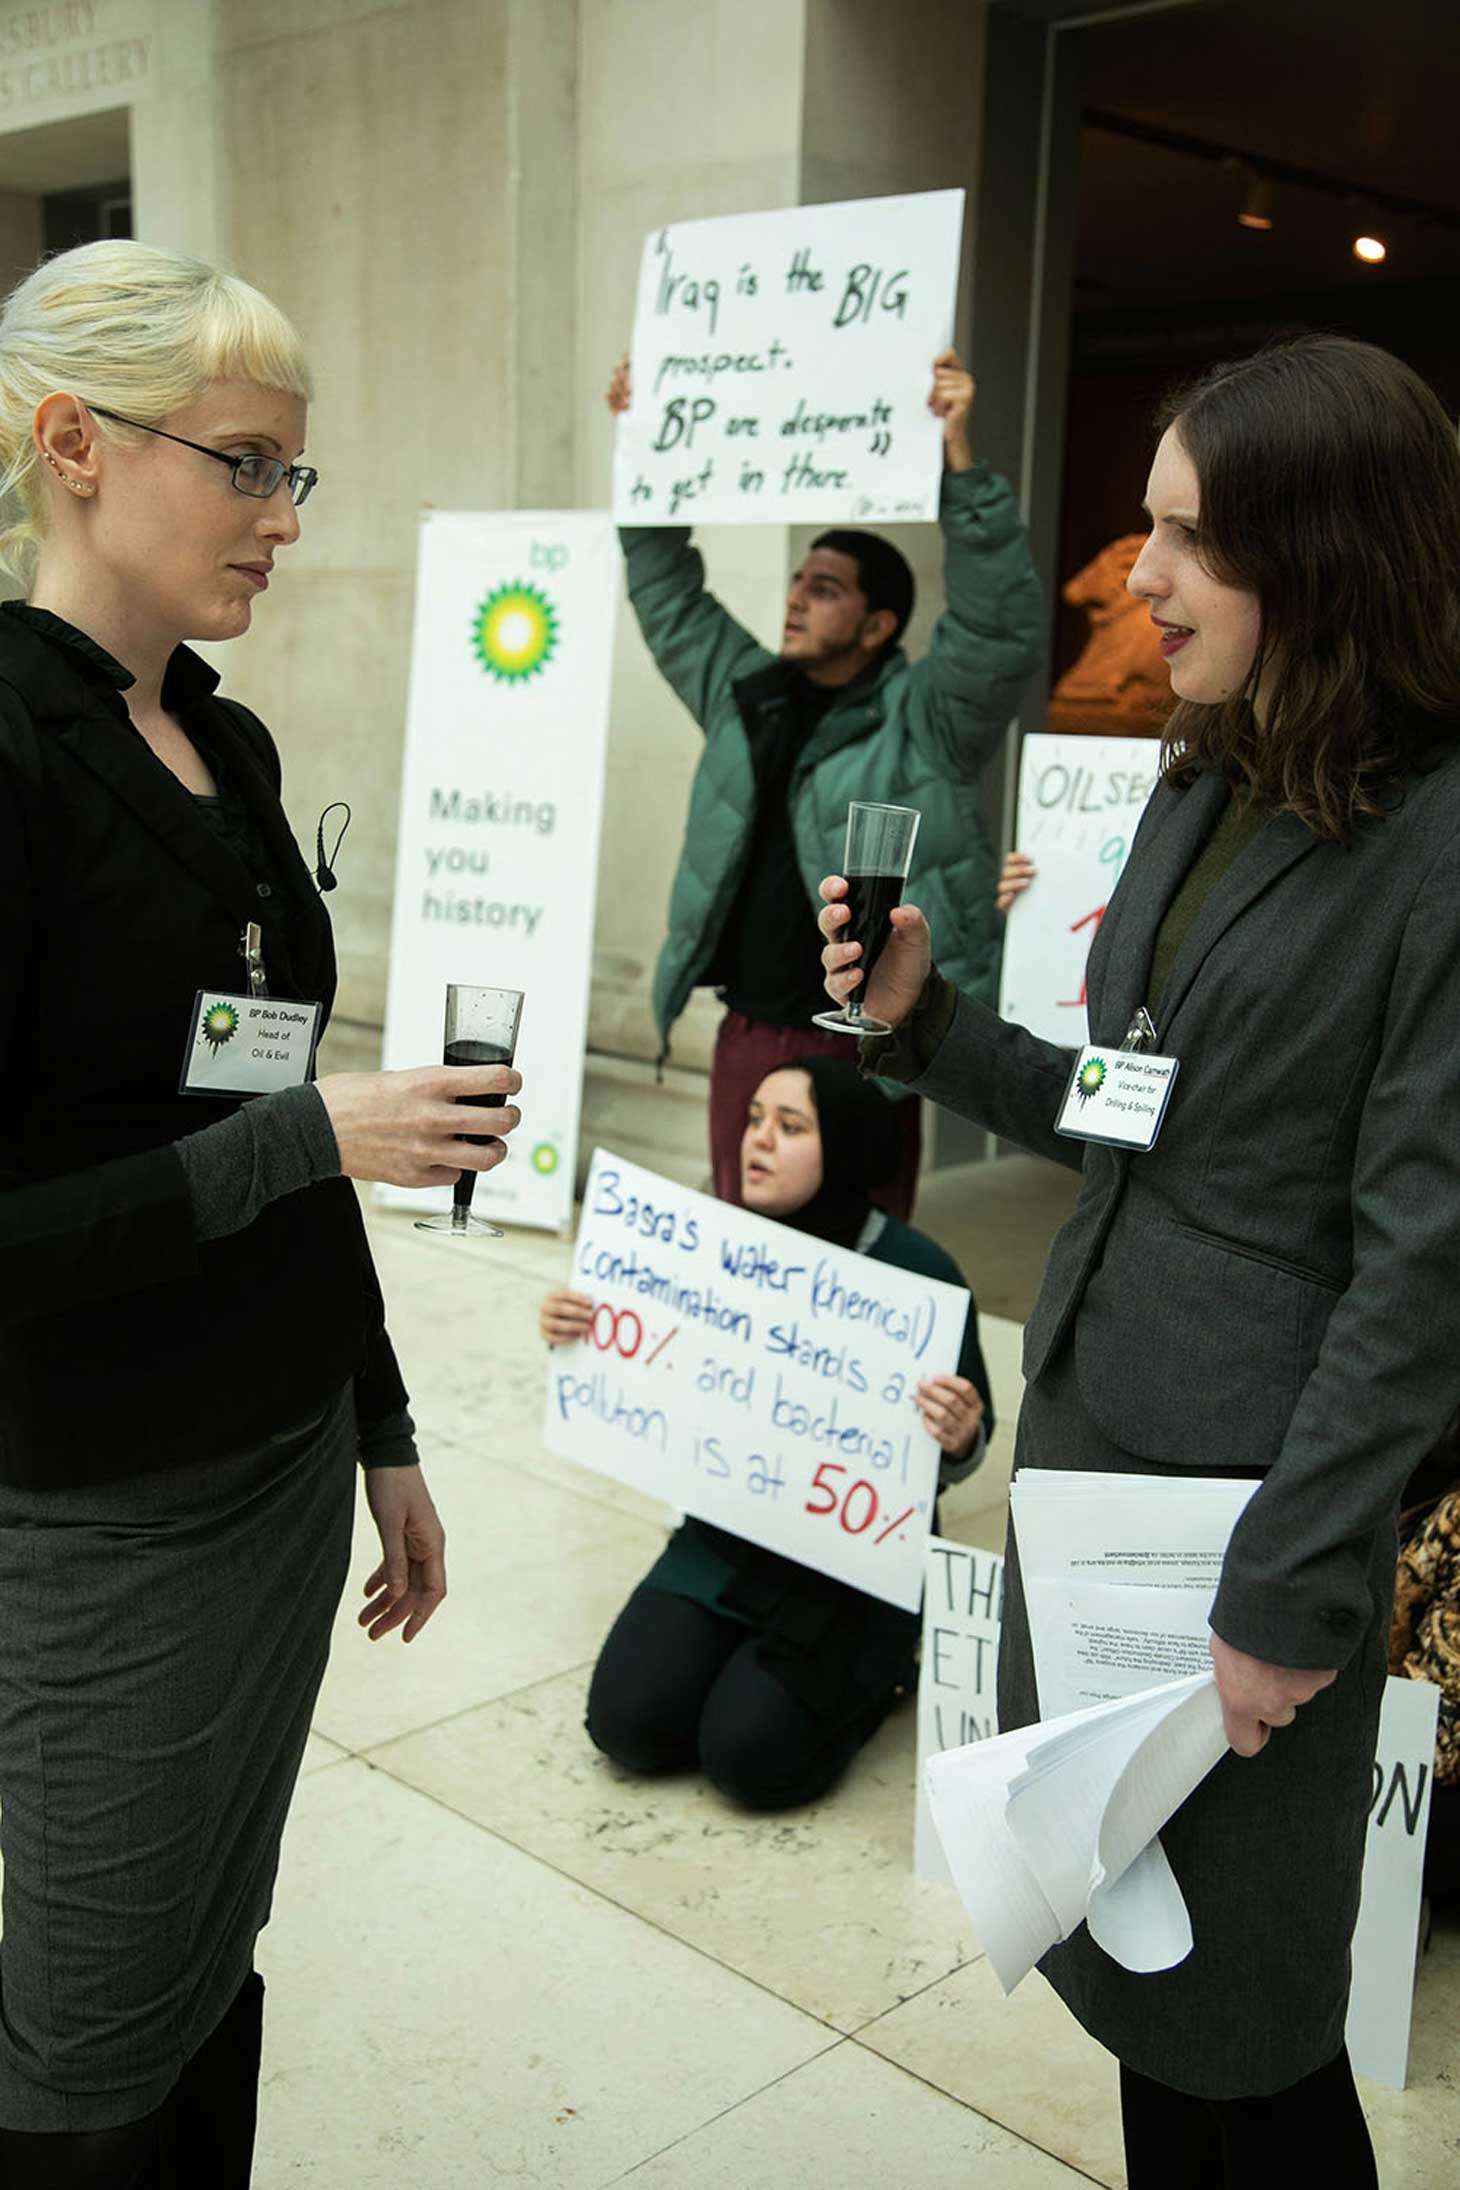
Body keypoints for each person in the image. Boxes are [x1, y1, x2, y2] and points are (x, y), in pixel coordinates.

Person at [817, 333, 1460, 2186]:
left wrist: (1290, 1589)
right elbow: (1140, 1104)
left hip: (1248, 1544)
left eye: (1186, 537)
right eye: (1146, 522)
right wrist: (934, 1024)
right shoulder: (1205, 770)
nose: (1140, 576)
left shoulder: (1438, 844)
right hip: (1099, 1483)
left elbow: (1423, 1272)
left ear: (1323, 555)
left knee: (1243, 2027)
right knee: (1144, 1982)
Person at [0, 240, 524, 2188]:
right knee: (90, 2021)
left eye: (298, 474)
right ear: (74, 446)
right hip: (103, 1509)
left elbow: (266, 1112)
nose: (285, 520)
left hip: (277, 1476)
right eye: (244, 465)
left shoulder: (224, 750)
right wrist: (300, 1143)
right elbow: (244, 1146)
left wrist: (378, 1428)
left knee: (211, 1955)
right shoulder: (12, 756)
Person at [608, 348, 1043, 1220]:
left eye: (827, 588)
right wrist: (645, 447)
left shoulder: (928, 717)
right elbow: (665, 589)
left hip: (867, 1047)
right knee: (742, 1257)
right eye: (798, 581)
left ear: (879, 625)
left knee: (857, 1270)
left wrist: (960, 462)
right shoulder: (745, 693)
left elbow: (999, 625)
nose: (797, 599)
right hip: (751, 1030)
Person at [541, 1055, 994, 1811]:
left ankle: (883, 1672)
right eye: (754, 1120)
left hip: (852, 1569)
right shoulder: (703, 1240)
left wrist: (959, 1434)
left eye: (790, 1127)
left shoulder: (919, 1273)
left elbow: (960, 1458)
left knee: (750, 1762)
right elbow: (651, 1372)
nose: (758, 1141)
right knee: (627, 1727)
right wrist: (578, 1332)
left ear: (844, 1143)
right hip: (726, 1538)